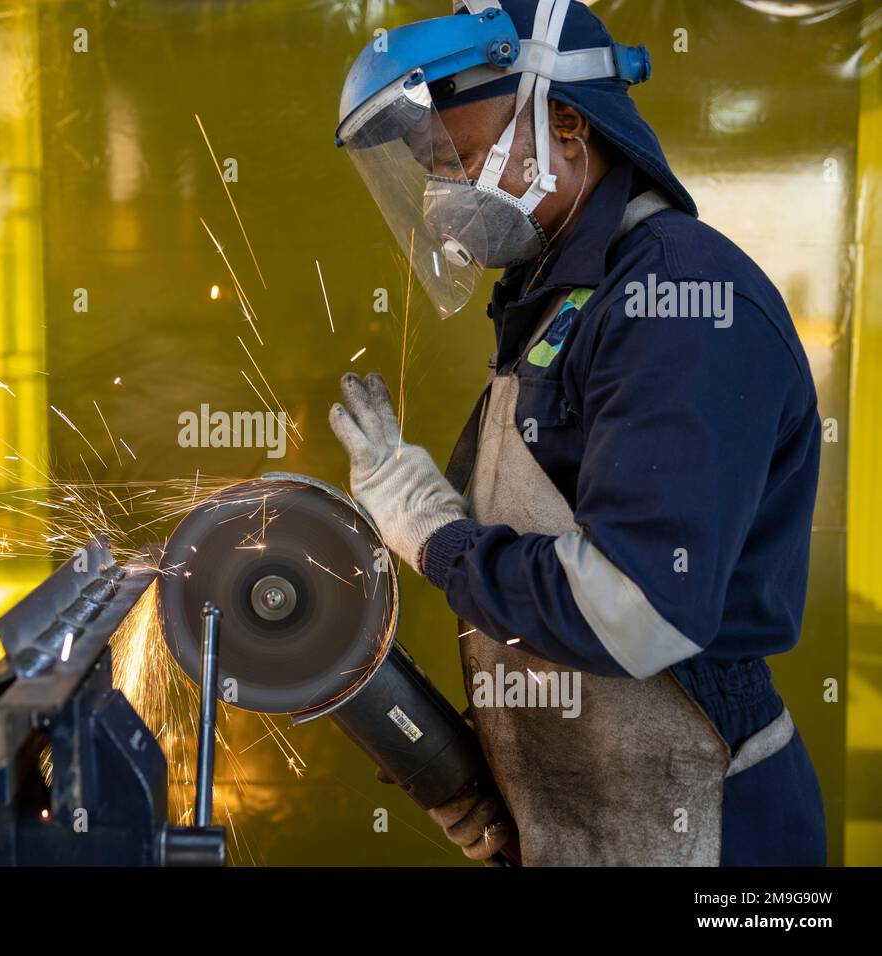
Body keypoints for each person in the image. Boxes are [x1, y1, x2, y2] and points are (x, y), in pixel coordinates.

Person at [329, 0, 827, 865]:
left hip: (707, 826)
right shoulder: (560, 301)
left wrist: (438, 539)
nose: (447, 195)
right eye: (432, 170)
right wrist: (501, 777)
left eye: (462, 157)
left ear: (565, 120)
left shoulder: (681, 304)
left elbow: (634, 612)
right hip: (592, 817)